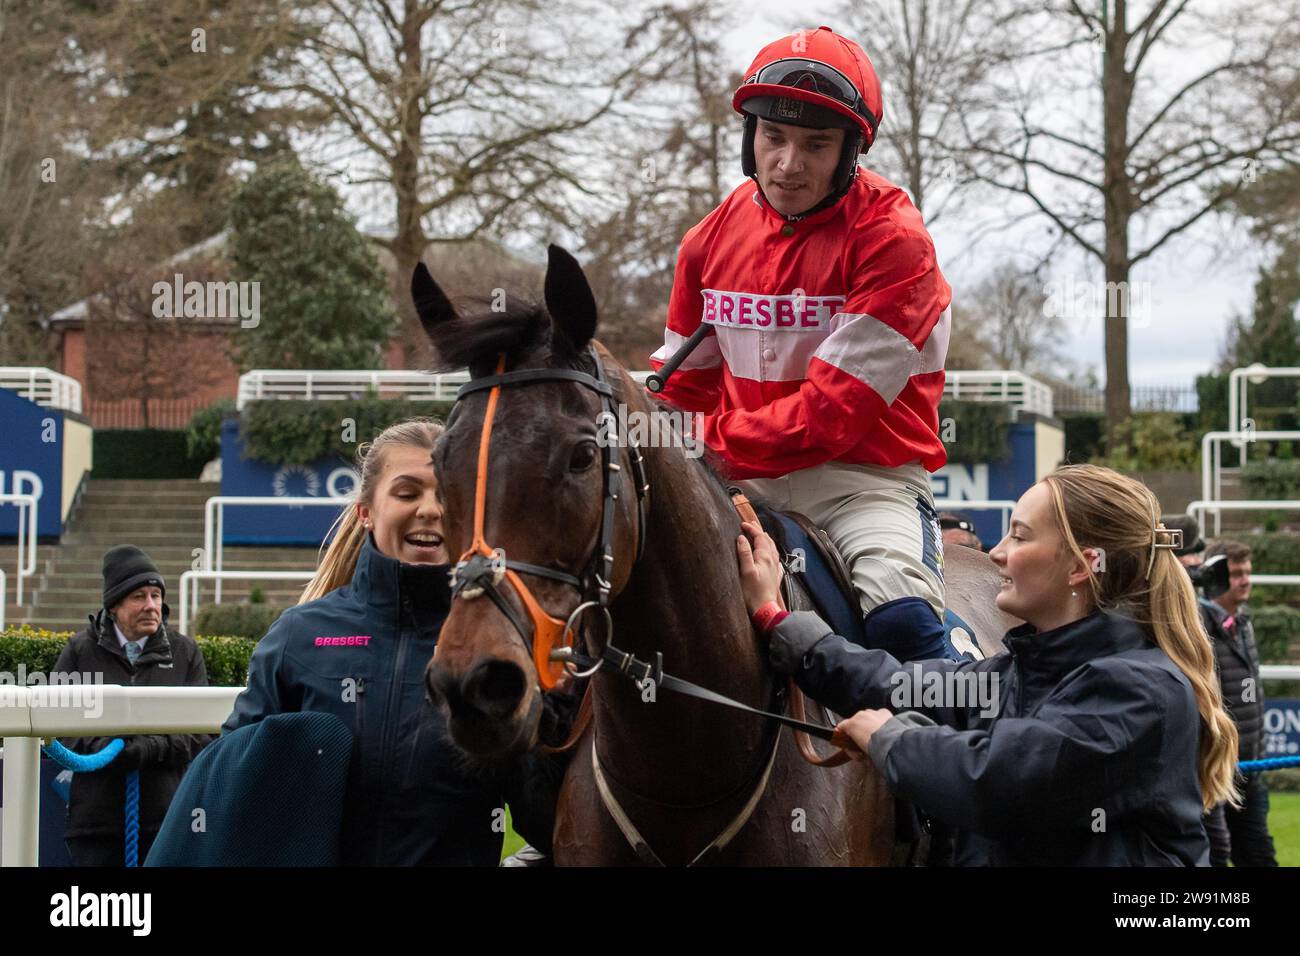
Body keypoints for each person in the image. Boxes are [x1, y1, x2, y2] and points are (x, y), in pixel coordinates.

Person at [736, 463, 1239, 865]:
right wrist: (776, 618)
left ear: (1081, 566)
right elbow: (893, 685)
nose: (997, 553)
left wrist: (889, 739)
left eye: (1020, 537)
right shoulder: (1012, 674)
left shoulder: (1139, 689)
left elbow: (999, 783)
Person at [650, 26, 953, 663]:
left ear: (851, 151)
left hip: (862, 484)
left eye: (816, 144)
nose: (788, 164)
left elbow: (829, 418)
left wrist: (697, 441)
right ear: (748, 138)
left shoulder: (894, 242)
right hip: (735, 480)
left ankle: (964, 745)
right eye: (774, 137)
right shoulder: (707, 241)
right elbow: (681, 386)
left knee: (902, 624)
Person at [222, 419, 562, 865]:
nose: (430, 509)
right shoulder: (296, 636)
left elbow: (548, 825)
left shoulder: (500, 649)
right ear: (366, 512)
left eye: (446, 495)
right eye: (407, 493)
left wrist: (545, 727)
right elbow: (229, 790)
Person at [53, 545, 212, 866]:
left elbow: (202, 736)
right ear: (114, 605)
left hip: (167, 820)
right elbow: (57, 723)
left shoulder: (185, 652)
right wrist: (105, 751)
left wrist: (149, 749)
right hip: (95, 825)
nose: (151, 605)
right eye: (139, 596)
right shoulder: (80, 651)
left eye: (155, 595)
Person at [1198, 539, 1278, 867]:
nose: (1245, 580)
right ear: (1214, 576)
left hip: (1249, 769)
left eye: (1247, 572)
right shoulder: (1197, 626)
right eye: (1235, 573)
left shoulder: (1243, 623)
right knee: (1215, 856)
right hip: (1214, 771)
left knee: (1259, 856)